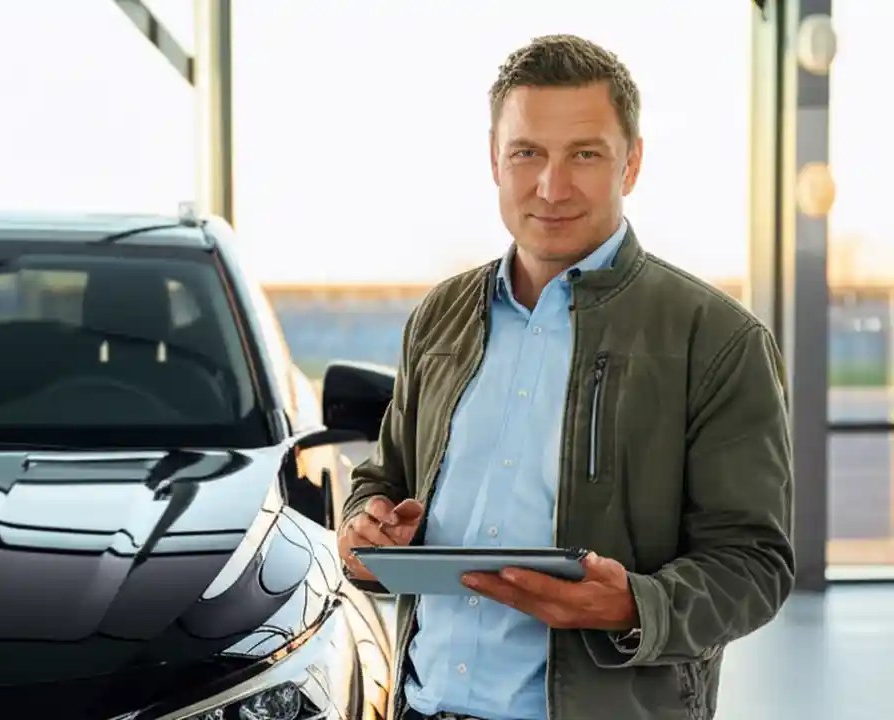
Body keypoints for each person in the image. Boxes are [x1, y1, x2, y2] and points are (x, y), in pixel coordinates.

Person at [336, 34, 794, 720]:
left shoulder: (719, 340)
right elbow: (385, 479)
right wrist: (362, 531)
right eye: (527, 153)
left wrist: (634, 606)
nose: (552, 187)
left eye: (585, 154)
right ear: (495, 158)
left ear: (631, 162)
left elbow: (755, 563)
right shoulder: (440, 317)